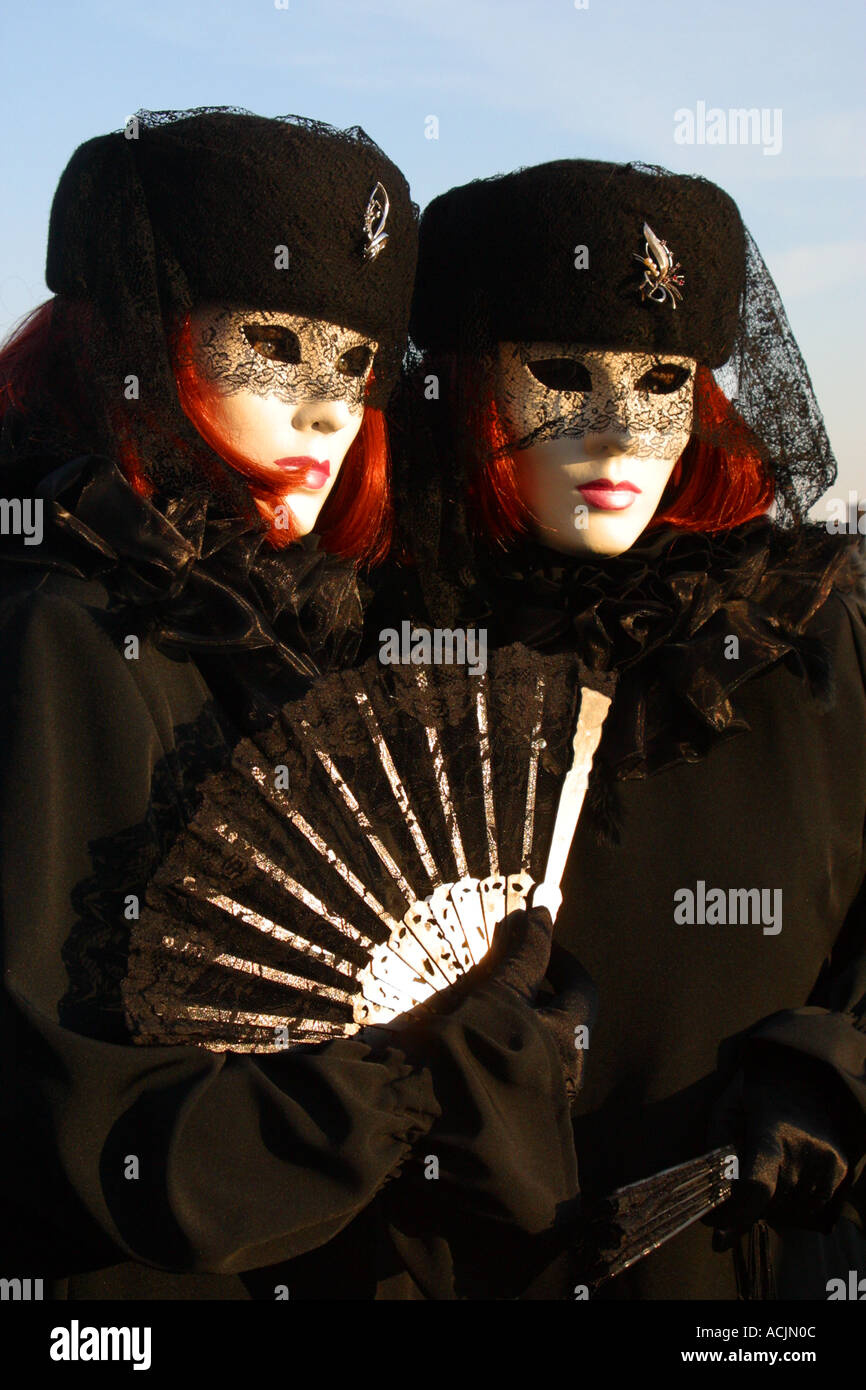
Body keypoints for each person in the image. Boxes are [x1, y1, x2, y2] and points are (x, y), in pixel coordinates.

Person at [0, 109, 589, 1300]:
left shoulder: (305, 616)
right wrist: (409, 1073)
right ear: (130, 340)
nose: (327, 410)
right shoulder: (55, 635)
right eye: (273, 344)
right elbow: (62, 1116)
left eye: (356, 361)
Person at [379, 157, 866, 1299]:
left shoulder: (800, 643)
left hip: (733, 1270)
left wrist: (835, 1070)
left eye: (659, 379)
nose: (618, 432)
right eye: (558, 374)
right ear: (460, 383)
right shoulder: (362, 640)